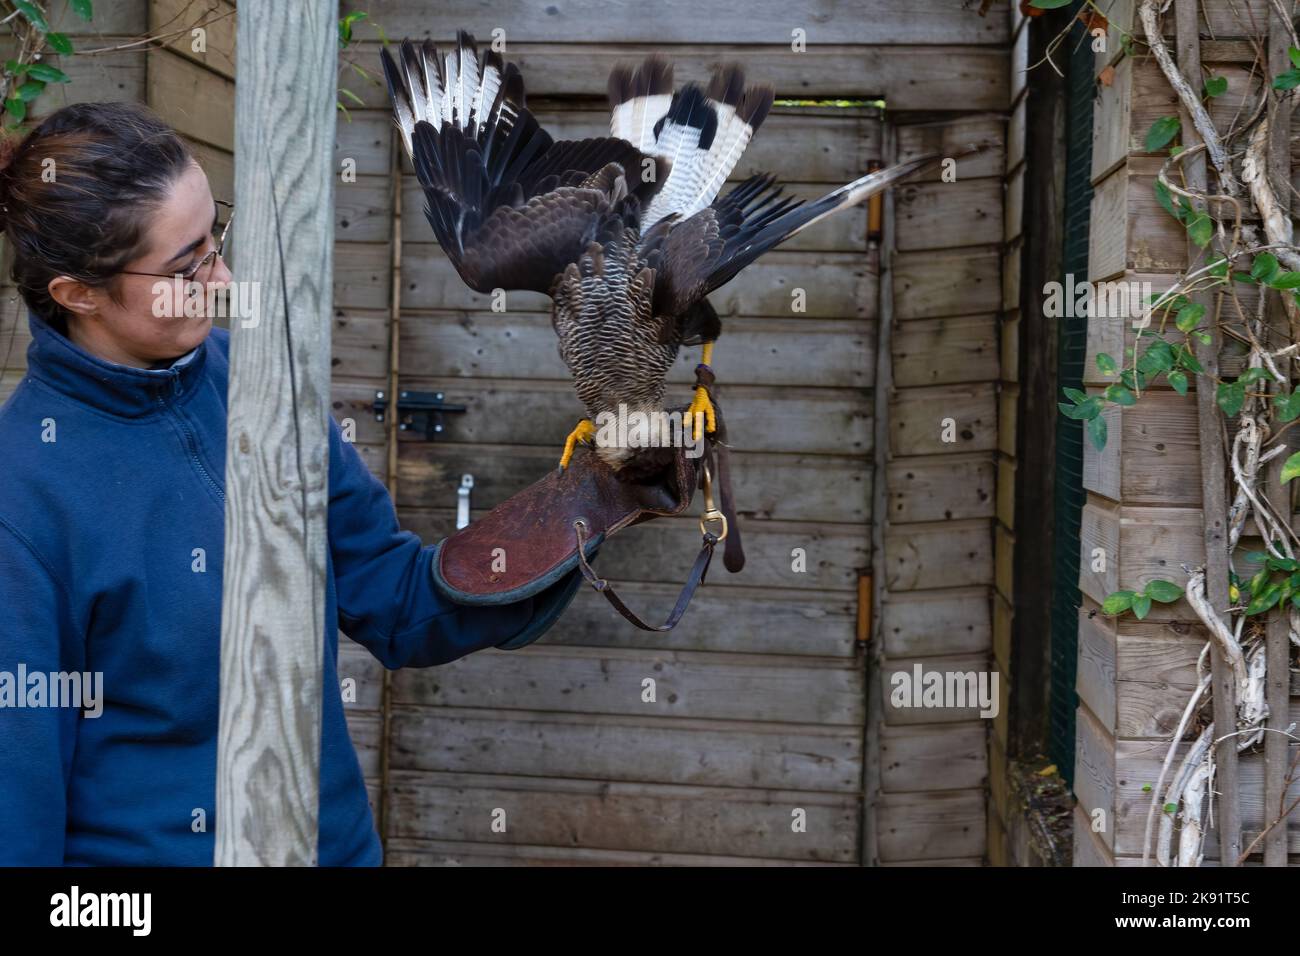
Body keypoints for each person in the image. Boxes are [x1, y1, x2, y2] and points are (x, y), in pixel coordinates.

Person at [0, 101, 584, 866]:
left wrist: (586, 505)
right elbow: (18, 809)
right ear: (78, 293)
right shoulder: (24, 498)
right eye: (186, 267)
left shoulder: (258, 381)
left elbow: (397, 599)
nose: (222, 279)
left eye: (216, 239)